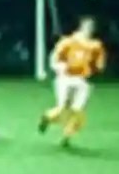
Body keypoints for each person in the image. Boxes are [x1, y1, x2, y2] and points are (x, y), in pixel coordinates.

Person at [39, 16, 106, 147]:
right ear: (81, 27)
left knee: (78, 111)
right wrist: (59, 68)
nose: (89, 29)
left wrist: (97, 69)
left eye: (91, 27)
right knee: (63, 109)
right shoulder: (67, 42)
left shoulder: (96, 46)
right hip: (65, 79)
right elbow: (55, 58)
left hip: (82, 80)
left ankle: (66, 136)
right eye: (87, 26)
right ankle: (47, 117)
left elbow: (100, 64)